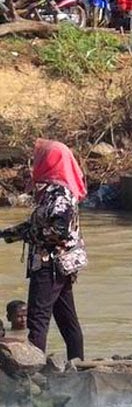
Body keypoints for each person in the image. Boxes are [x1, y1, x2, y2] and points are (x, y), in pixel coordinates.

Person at [0, 141, 87, 362]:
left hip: (50, 265)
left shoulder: (60, 195)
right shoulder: (52, 192)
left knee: (37, 320)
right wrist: (6, 234)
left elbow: (59, 231)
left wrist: (29, 236)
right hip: (58, 265)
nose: (34, 164)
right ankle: (77, 363)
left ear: (50, 162)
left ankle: (32, 371)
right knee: (67, 320)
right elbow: (37, 226)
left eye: (39, 158)